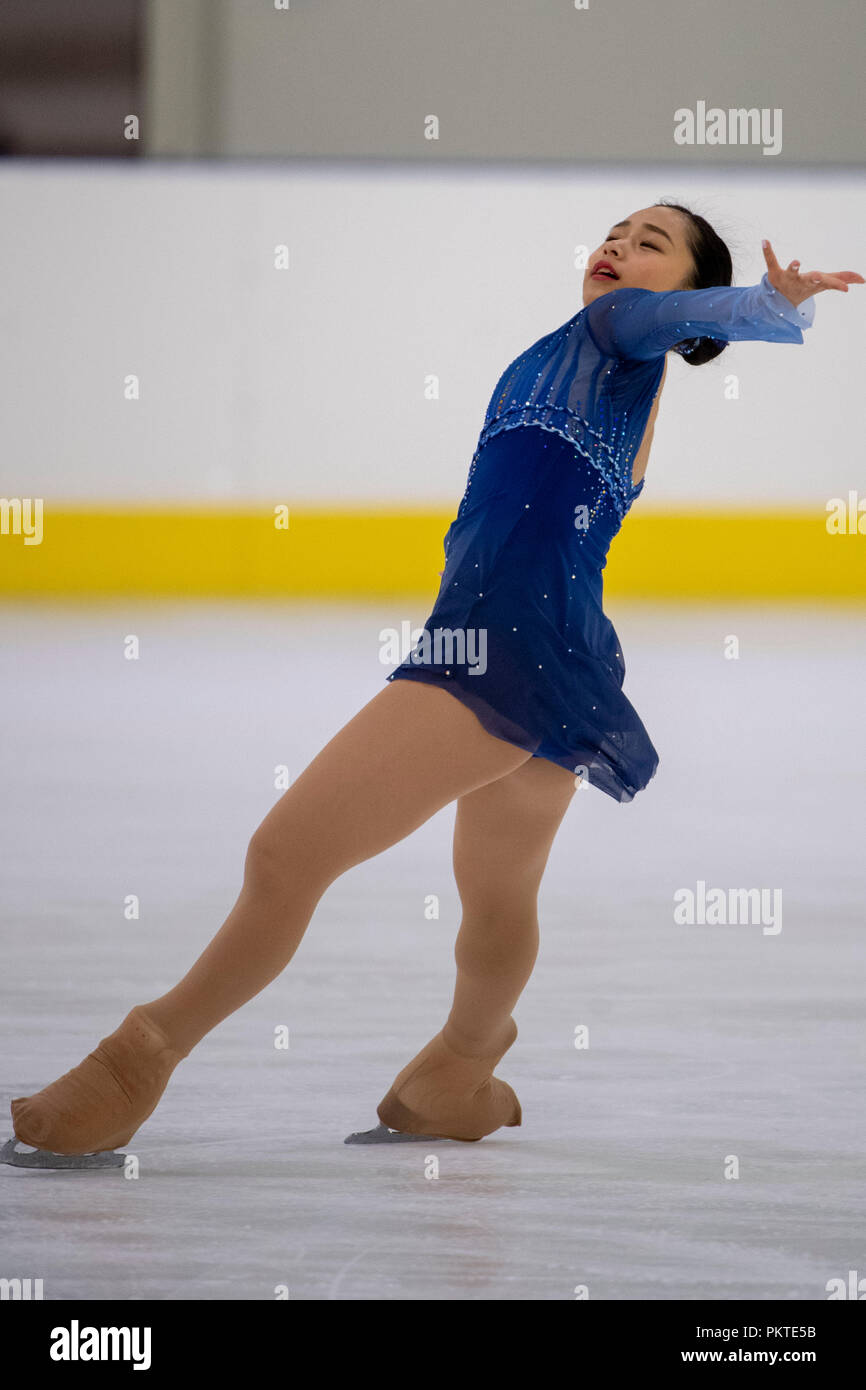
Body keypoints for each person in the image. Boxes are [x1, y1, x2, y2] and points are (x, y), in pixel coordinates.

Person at [8, 203, 862, 1159]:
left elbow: (672, 317)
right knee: (498, 896)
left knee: (287, 856)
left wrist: (765, 306)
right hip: (565, 653)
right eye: (616, 231)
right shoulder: (619, 372)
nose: (619, 246)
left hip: (500, 647)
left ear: (688, 293)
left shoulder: (617, 332)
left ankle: (136, 1064)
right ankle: (459, 1070)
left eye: (650, 244)